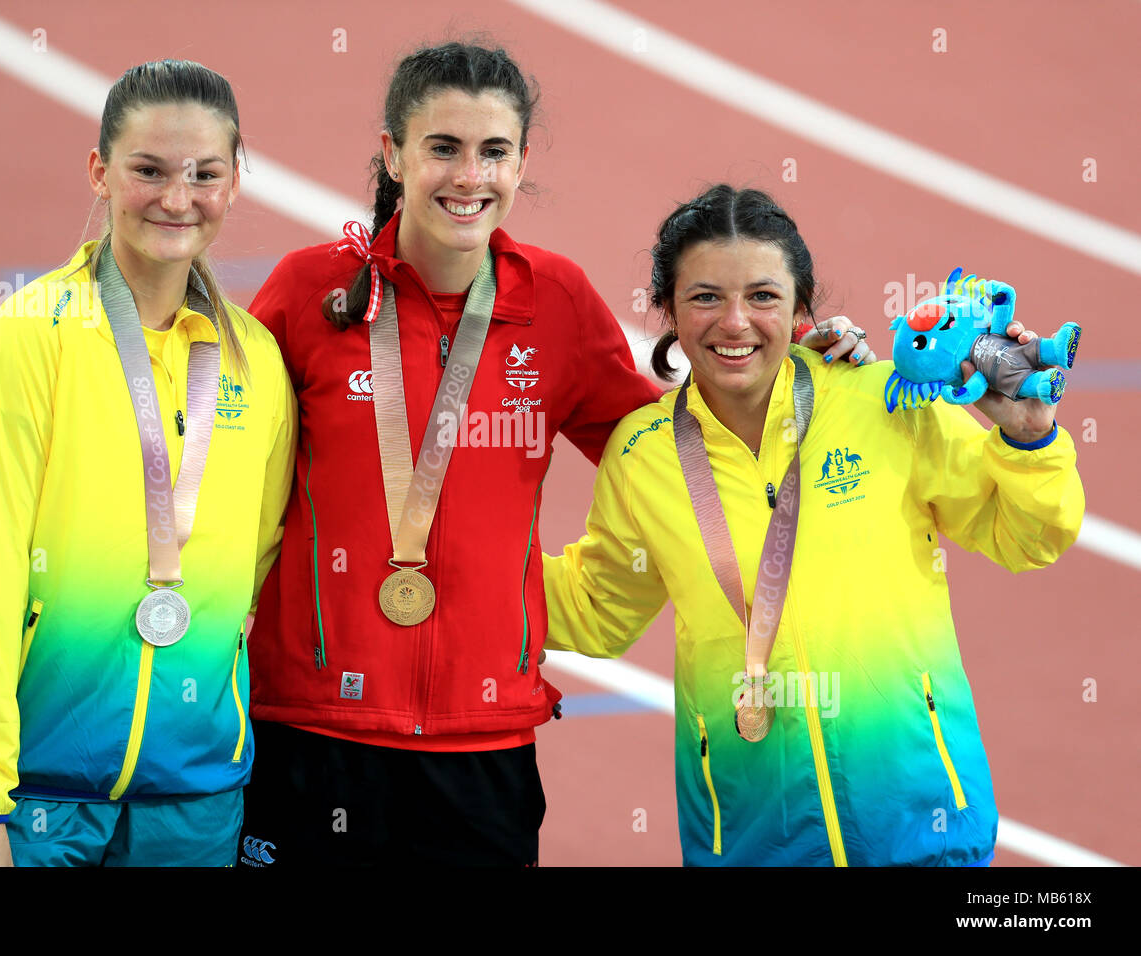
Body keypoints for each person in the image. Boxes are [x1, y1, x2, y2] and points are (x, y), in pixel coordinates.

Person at [237, 44, 867, 867]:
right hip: (312, 731)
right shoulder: (308, 293)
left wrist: (800, 375)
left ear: (522, 160)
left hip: (484, 746)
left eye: (495, 151)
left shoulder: (556, 300)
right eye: (443, 148)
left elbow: (675, 449)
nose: (471, 176)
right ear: (393, 153)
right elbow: (222, 467)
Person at [542, 183, 1084, 866]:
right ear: (668, 313)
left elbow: (1028, 537)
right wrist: (461, 556)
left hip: (922, 828)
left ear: (802, 308)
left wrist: (1030, 443)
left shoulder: (884, 402)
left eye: (763, 297)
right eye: (705, 297)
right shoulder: (643, 455)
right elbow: (597, 608)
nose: (734, 322)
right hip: (752, 835)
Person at [0, 59, 297, 867]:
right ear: (100, 172)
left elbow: (257, 560)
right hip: (33, 800)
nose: (176, 198)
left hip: (196, 800)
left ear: (235, 183)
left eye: (205, 174)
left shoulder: (256, 363)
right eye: (148, 170)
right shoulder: (25, 341)